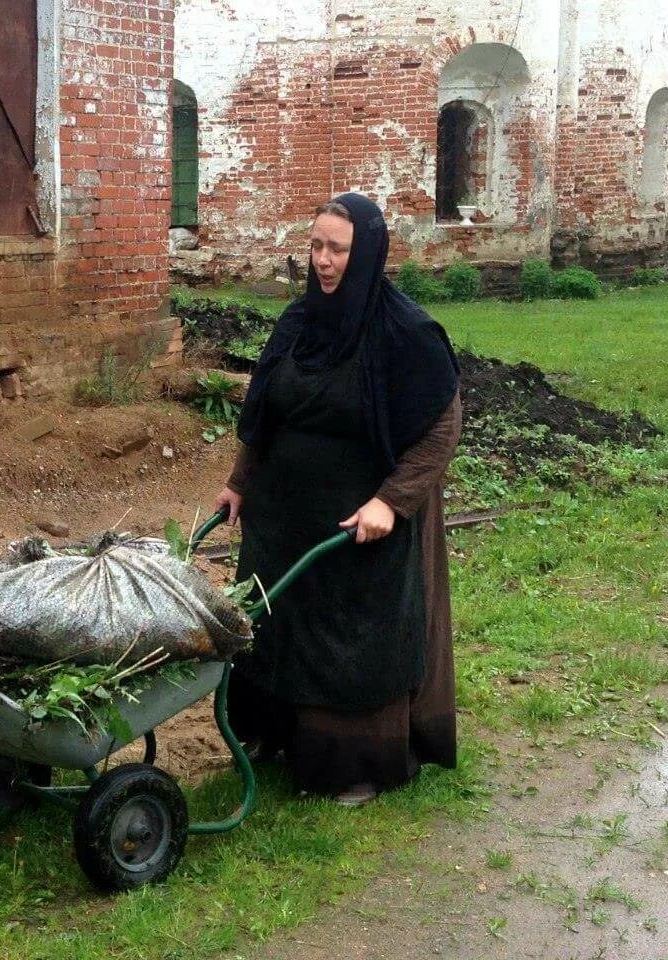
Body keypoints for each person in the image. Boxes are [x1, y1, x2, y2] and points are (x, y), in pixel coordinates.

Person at [213, 192, 462, 806]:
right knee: (273, 622)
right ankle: (274, 736)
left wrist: (391, 501)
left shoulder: (405, 332)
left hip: (357, 521)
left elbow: (442, 426)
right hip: (282, 514)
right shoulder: (299, 321)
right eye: (317, 246)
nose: (323, 261)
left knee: (348, 637)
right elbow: (266, 410)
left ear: (369, 252)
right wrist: (241, 480)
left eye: (338, 250)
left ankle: (353, 763)